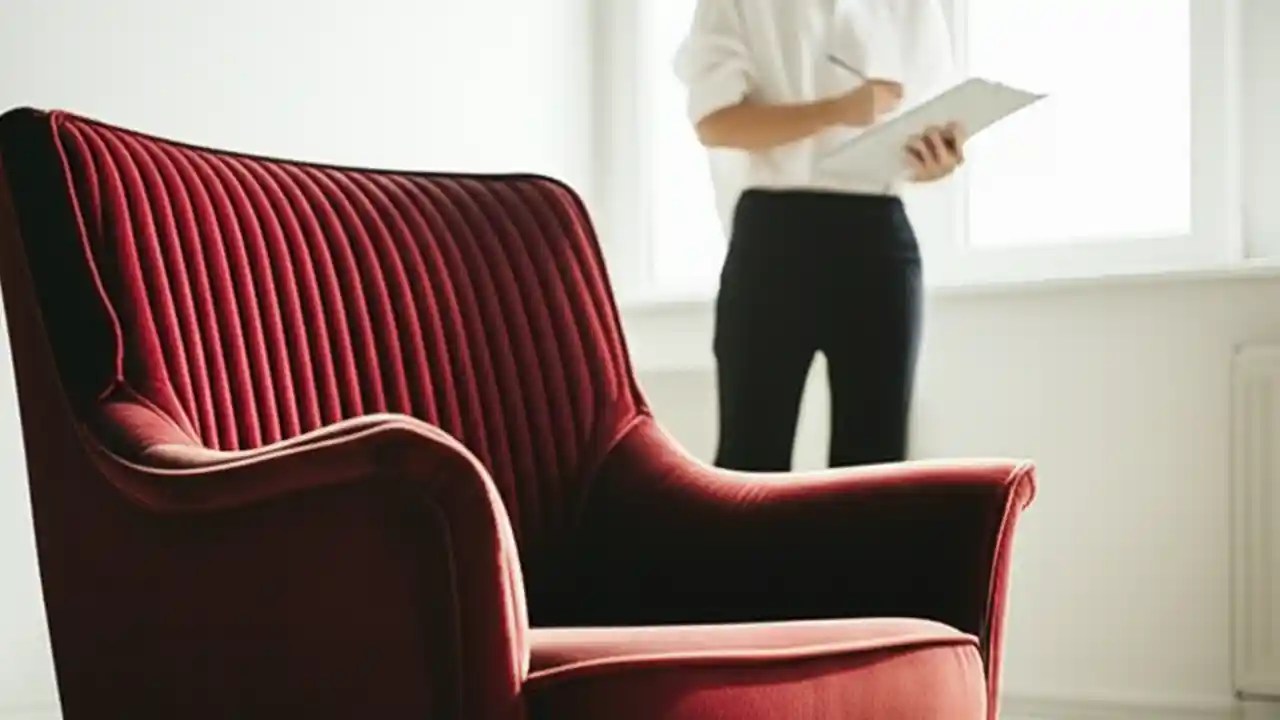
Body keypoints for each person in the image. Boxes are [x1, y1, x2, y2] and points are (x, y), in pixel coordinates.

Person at [674, 0, 966, 472]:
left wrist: (939, 160)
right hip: (774, 239)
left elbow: (932, 124)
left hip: (880, 236)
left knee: (875, 466)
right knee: (750, 459)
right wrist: (840, 110)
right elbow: (715, 121)